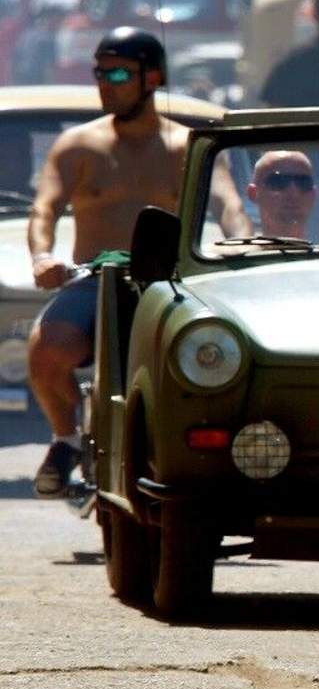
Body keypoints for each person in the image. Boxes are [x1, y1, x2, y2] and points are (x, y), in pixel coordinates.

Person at [26, 28, 248, 499]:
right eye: (100, 73)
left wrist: (240, 244)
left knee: (210, 361)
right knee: (46, 350)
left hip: (168, 283)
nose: (106, 83)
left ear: (153, 77)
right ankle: (66, 440)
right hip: (92, 280)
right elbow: (44, 208)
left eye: (120, 73)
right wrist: (44, 256)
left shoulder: (189, 146)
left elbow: (229, 206)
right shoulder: (77, 145)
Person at [248, 151, 316, 239]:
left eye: (303, 183)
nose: (293, 193)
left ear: (314, 195)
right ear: (253, 193)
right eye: (278, 182)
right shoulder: (238, 251)